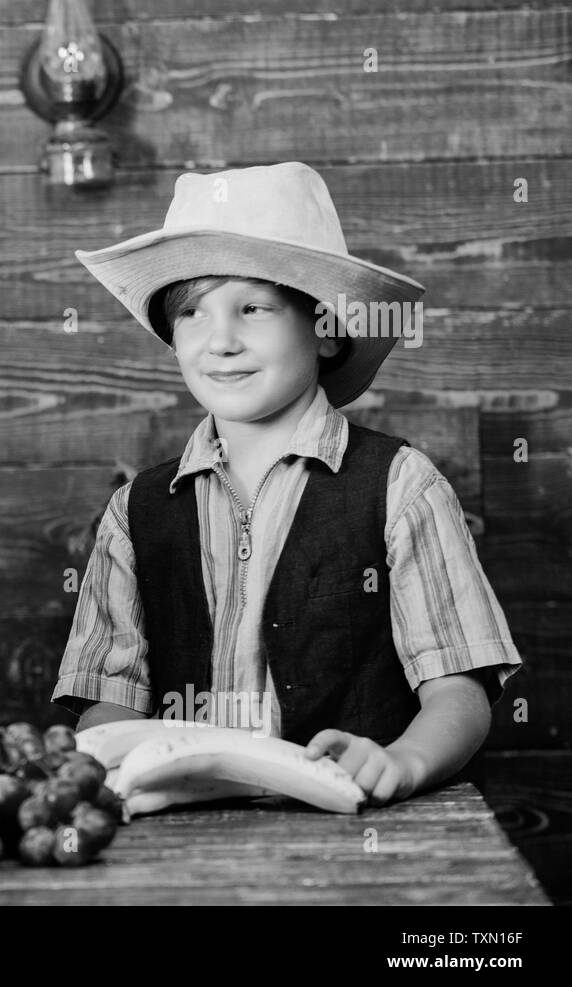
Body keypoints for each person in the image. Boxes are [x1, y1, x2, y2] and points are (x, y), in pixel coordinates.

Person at [53, 162, 521, 805]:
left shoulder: (402, 487)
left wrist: (401, 762)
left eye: (253, 307)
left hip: (359, 839)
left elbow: (460, 692)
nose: (221, 340)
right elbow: (110, 707)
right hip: (181, 838)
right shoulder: (132, 514)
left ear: (326, 332)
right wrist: (100, 766)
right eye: (192, 311)